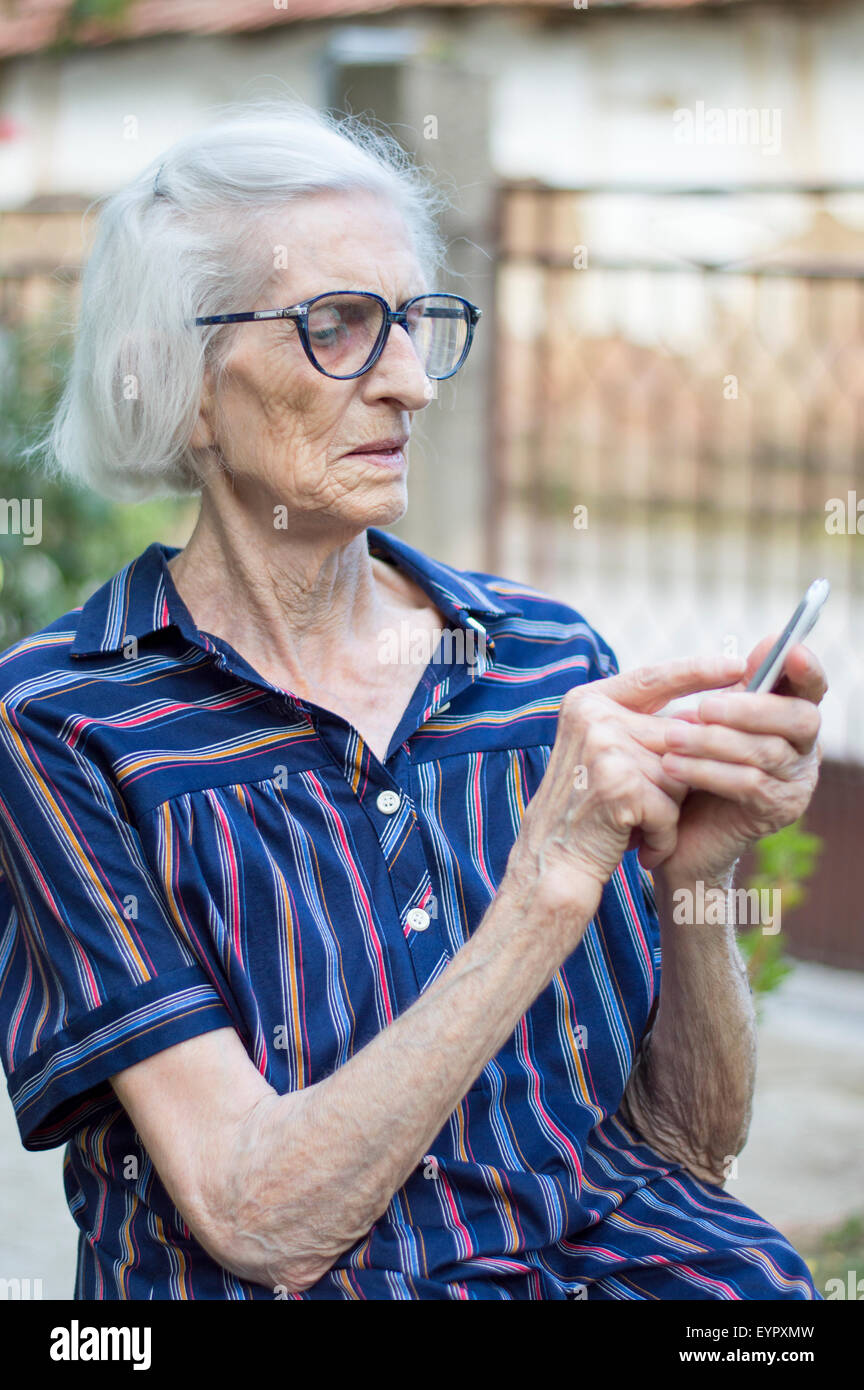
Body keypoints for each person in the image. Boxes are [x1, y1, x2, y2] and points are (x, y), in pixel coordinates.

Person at [0, 99, 826, 1300]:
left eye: (418, 324)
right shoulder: (71, 721)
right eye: (338, 326)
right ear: (179, 382)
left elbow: (691, 1146)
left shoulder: (545, 656)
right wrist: (548, 878)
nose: (410, 385)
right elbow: (257, 1220)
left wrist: (692, 877)